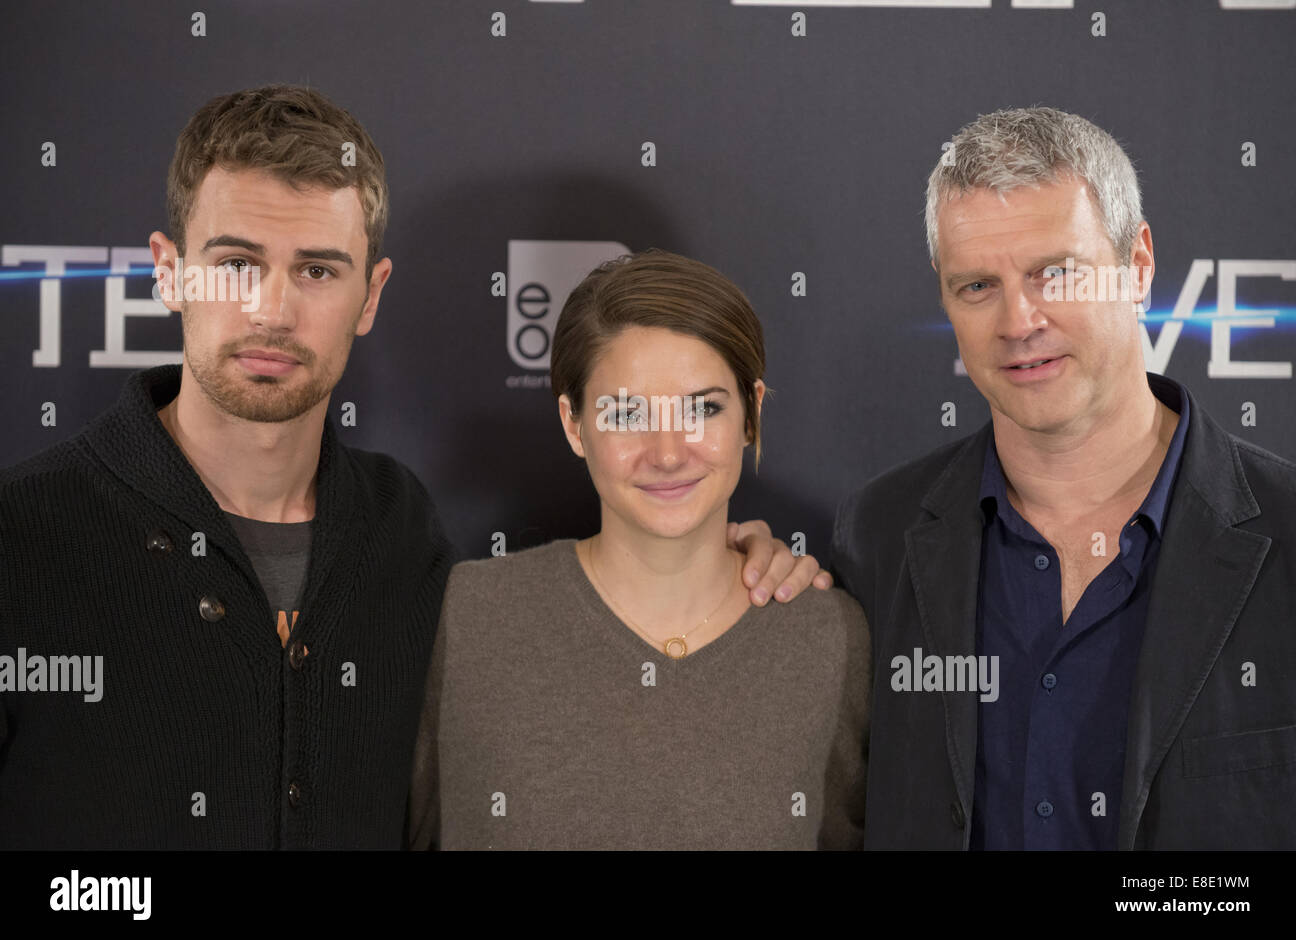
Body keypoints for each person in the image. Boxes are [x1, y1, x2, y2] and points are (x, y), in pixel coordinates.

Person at [0, 86, 817, 849]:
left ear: (372, 295)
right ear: (169, 271)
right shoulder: (24, 537)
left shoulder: (403, 531)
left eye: (317, 270)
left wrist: (726, 560)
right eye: (237, 262)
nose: (272, 310)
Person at [832, 107, 1296, 850]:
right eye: (978, 285)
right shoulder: (874, 538)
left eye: (1055, 272)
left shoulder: (1289, 534)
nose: (1019, 320)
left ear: (1138, 265)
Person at [408, 250, 870, 850]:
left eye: (703, 408)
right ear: (574, 425)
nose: (669, 452)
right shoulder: (470, 615)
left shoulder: (831, 637)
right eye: (626, 412)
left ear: (751, 414)